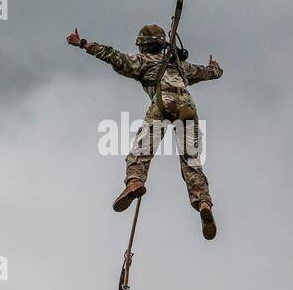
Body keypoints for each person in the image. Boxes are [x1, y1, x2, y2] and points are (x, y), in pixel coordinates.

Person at [69, 24, 222, 239]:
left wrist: (84, 44)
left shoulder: (144, 61)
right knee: (191, 160)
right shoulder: (180, 66)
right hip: (188, 106)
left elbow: (114, 56)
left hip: (163, 102)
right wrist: (215, 67)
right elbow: (209, 73)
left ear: (143, 46)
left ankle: (134, 181)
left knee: (140, 151)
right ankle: (203, 202)